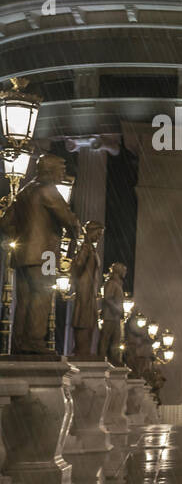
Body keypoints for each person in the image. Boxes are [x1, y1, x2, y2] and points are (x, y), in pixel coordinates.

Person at [0, 154, 80, 355]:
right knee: (42, 294)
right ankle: (35, 341)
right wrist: (74, 235)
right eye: (60, 170)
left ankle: (19, 342)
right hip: (45, 255)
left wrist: (22, 236)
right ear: (51, 170)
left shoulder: (25, 192)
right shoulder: (48, 190)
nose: (62, 175)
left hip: (22, 256)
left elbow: (4, 222)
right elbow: (69, 220)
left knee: (25, 298)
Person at [69, 221, 104, 358]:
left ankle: (85, 349)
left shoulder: (91, 249)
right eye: (98, 234)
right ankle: (81, 350)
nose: (99, 237)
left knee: (89, 319)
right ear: (91, 231)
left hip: (90, 289)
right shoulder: (85, 248)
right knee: (83, 318)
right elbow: (77, 266)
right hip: (85, 288)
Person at [97, 262, 128, 364]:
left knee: (116, 339)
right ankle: (101, 358)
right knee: (105, 338)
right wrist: (118, 310)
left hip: (115, 317)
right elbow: (107, 298)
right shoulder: (111, 283)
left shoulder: (117, 284)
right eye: (123, 270)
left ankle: (114, 360)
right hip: (109, 316)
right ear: (118, 271)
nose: (125, 272)